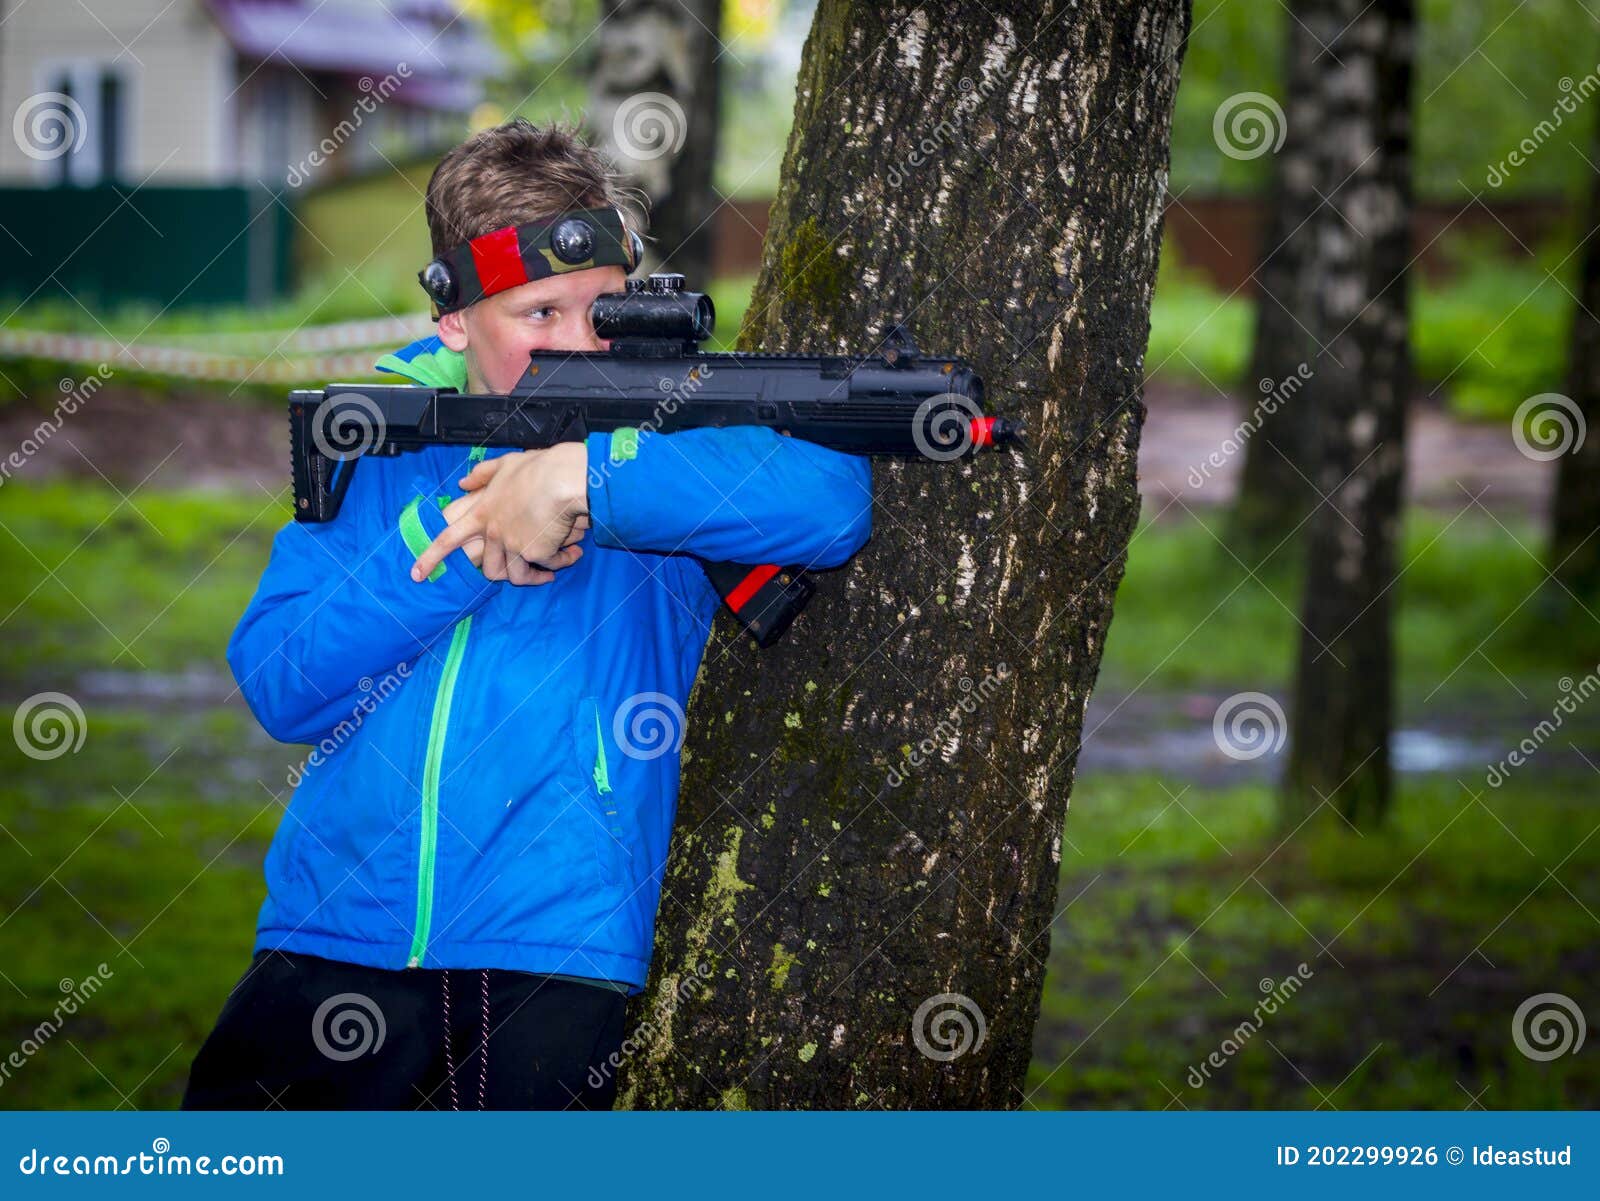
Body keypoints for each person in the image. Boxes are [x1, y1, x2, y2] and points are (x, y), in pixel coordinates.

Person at [182, 120, 873, 1111]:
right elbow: (282, 677)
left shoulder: (660, 442)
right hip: (336, 932)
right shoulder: (382, 453)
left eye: (605, 309)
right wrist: (459, 532)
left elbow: (830, 504)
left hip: (558, 953)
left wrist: (582, 475)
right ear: (455, 318)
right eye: (540, 311)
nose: (580, 342)